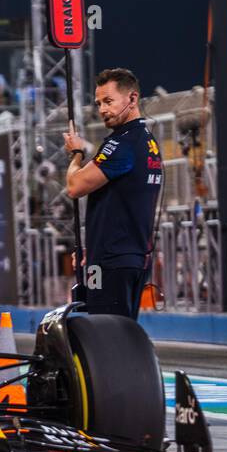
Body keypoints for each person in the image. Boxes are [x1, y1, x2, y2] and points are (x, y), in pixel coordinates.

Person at [64, 67, 163, 318]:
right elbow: (118, 203)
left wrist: (76, 154)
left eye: (108, 101)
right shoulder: (147, 140)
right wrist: (93, 248)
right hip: (128, 256)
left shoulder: (122, 143)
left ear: (132, 98)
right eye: (98, 103)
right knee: (120, 336)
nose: (103, 110)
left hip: (113, 262)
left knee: (107, 338)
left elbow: (75, 186)